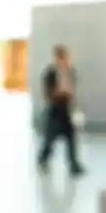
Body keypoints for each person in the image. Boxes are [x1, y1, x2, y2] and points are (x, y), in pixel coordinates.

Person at [37, 45, 85, 177]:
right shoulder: (50, 73)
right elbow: (47, 92)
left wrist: (70, 96)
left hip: (67, 108)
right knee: (50, 138)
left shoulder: (71, 71)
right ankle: (43, 159)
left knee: (71, 137)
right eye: (61, 58)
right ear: (57, 58)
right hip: (55, 108)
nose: (64, 60)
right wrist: (58, 93)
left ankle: (74, 164)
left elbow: (73, 87)